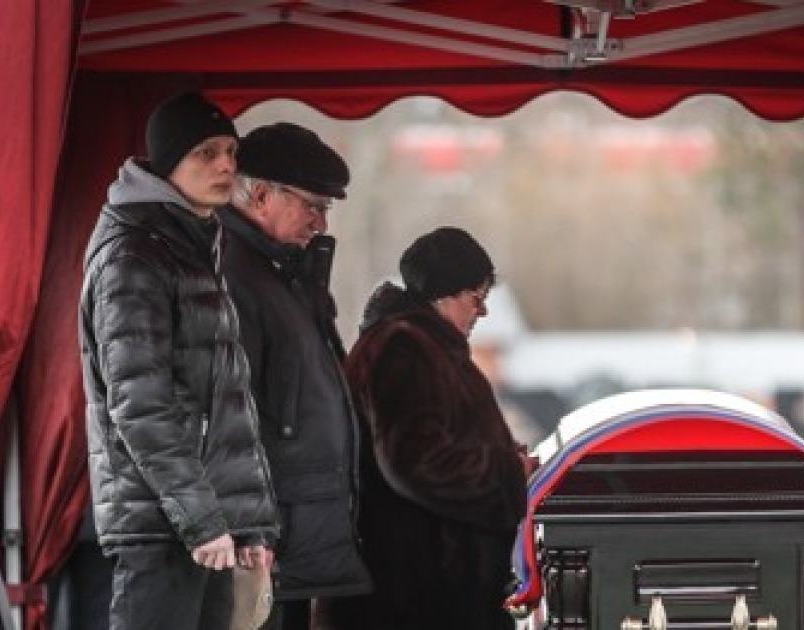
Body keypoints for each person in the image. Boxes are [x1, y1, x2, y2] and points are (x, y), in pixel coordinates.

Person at [79, 91, 278, 630]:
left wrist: (248, 526)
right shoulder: (134, 254)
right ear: (169, 164)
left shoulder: (190, 244)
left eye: (231, 151)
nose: (225, 166)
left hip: (201, 527)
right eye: (206, 153)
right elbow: (141, 406)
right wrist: (204, 521)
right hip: (164, 528)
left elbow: (224, 403)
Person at [315, 227, 536, 630]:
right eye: (476, 297)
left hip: (419, 590)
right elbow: (416, 461)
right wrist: (505, 471)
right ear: (445, 292)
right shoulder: (406, 349)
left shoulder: (414, 344)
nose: (482, 312)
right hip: (415, 594)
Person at [218, 122, 372, 629]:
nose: (322, 224)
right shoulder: (234, 277)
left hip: (289, 533)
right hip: (268, 542)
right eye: (314, 205)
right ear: (261, 195)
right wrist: (253, 536)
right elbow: (234, 420)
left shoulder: (283, 276)